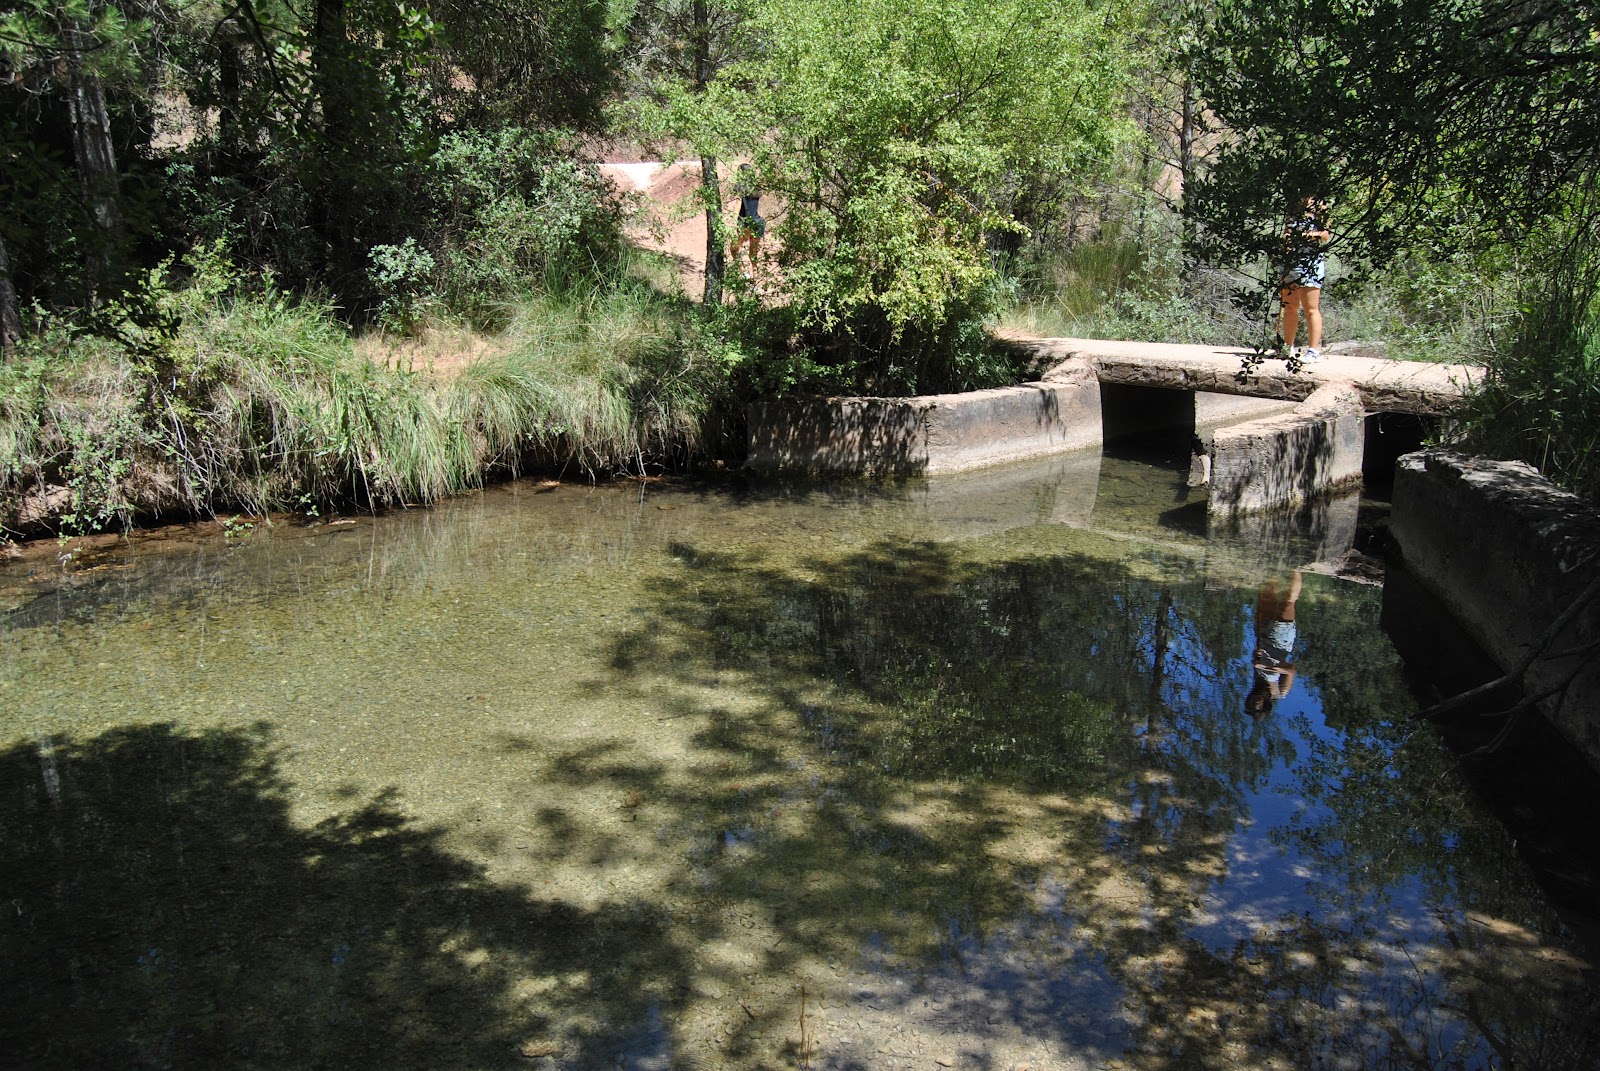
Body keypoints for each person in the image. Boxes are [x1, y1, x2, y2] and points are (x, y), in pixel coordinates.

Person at [1279, 196, 1330, 366]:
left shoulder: (1321, 206)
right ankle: (1287, 348)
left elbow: (1325, 235)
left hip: (1311, 262)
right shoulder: (1292, 206)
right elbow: (1287, 233)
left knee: (1310, 308)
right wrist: (1287, 243)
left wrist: (1303, 236)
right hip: (1291, 261)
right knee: (1290, 306)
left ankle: (1313, 351)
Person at [1246, 569, 1303, 717]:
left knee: (1267, 595)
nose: (1254, 701)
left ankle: (1275, 562)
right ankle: (1297, 566)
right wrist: (1267, 667)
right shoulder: (1280, 691)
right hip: (1280, 641)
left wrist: (1257, 656)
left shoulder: (1257, 683)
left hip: (1263, 636)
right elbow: (1290, 670)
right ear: (1265, 706)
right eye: (1256, 705)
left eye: (1251, 703)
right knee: (1288, 601)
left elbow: (1259, 658)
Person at [728, 164, 765, 279]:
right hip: (758, 222)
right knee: (753, 255)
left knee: (734, 249)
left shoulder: (741, 188)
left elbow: (734, 198)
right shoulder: (757, 188)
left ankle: (744, 273)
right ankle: (756, 281)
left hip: (745, 222)